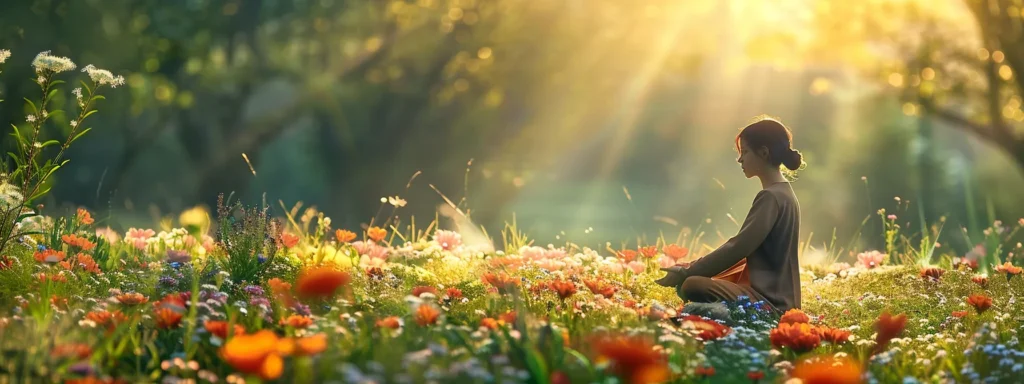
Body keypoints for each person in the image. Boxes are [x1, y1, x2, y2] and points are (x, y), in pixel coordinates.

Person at [655, 117, 803, 312]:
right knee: (695, 280)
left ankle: (721, 314)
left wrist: (686, 272)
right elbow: (745, 252)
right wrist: (690, 267)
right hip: (781, 299)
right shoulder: (784, 193)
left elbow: (738, 248)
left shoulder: (770, 197)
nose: (740, 159)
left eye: (745, 152)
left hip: (771, 302)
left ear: (764, 153)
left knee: (692, 284)